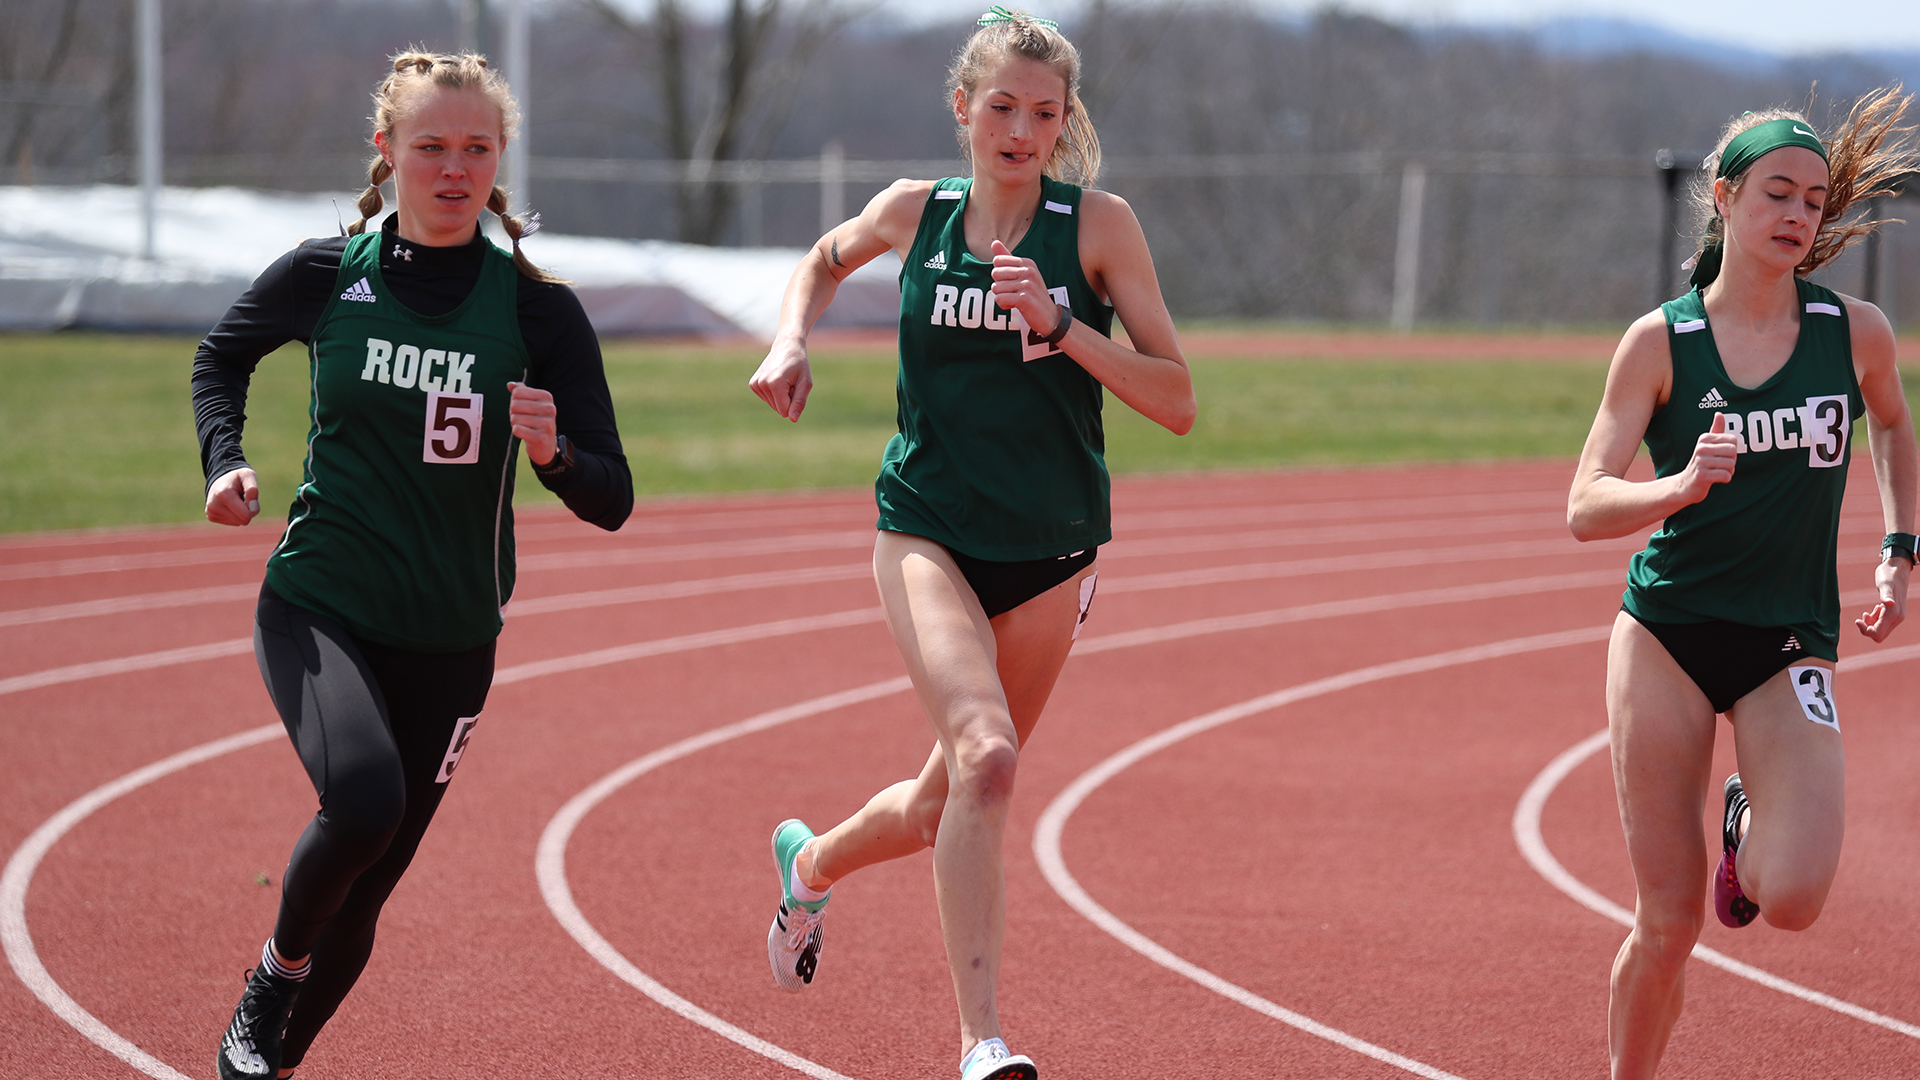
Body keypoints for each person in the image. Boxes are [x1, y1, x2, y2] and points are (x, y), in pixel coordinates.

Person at [747, 8, 1193, 1080]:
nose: (1021, 129)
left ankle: (810, 865)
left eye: (1045, 113)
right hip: (926, 530)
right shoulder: (919, 211)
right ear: (963, 108)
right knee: (989, 759)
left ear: (1064, 124)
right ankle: (981, 1041)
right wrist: (790, 337)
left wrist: (1061, 324)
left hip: (1053, 551)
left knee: (951, 794)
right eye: (1001, 106)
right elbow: (820, 256)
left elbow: (1175, 400)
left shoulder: (1098, 229)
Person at [192, 51, 632, 1080]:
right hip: (320, 605)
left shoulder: (537, 312)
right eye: (430, 145)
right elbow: (222, 354)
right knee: (363, 800)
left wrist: (554, 451)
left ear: (500, 161)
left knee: (366, 888)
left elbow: (611, 498)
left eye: (476, 148)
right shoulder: (327, 272)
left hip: (452, 639)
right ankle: (272, 975)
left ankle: (268, 1061)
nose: (453, 167)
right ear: (387, 152)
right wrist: (227, 460)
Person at [1567, 90, 1915, 1079]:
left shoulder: (1853, 333)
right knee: (1669, 922)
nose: (1798, 215)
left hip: (1788, 640)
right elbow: (1585, 505)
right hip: (1668, 635)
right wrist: (1678, 485)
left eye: (1813, 199)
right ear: (1723, 197)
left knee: (1794, 895)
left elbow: (1890, 420)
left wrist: (1901, 545)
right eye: (1777, 193)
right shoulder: (1660, 343)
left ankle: (1744, 827)